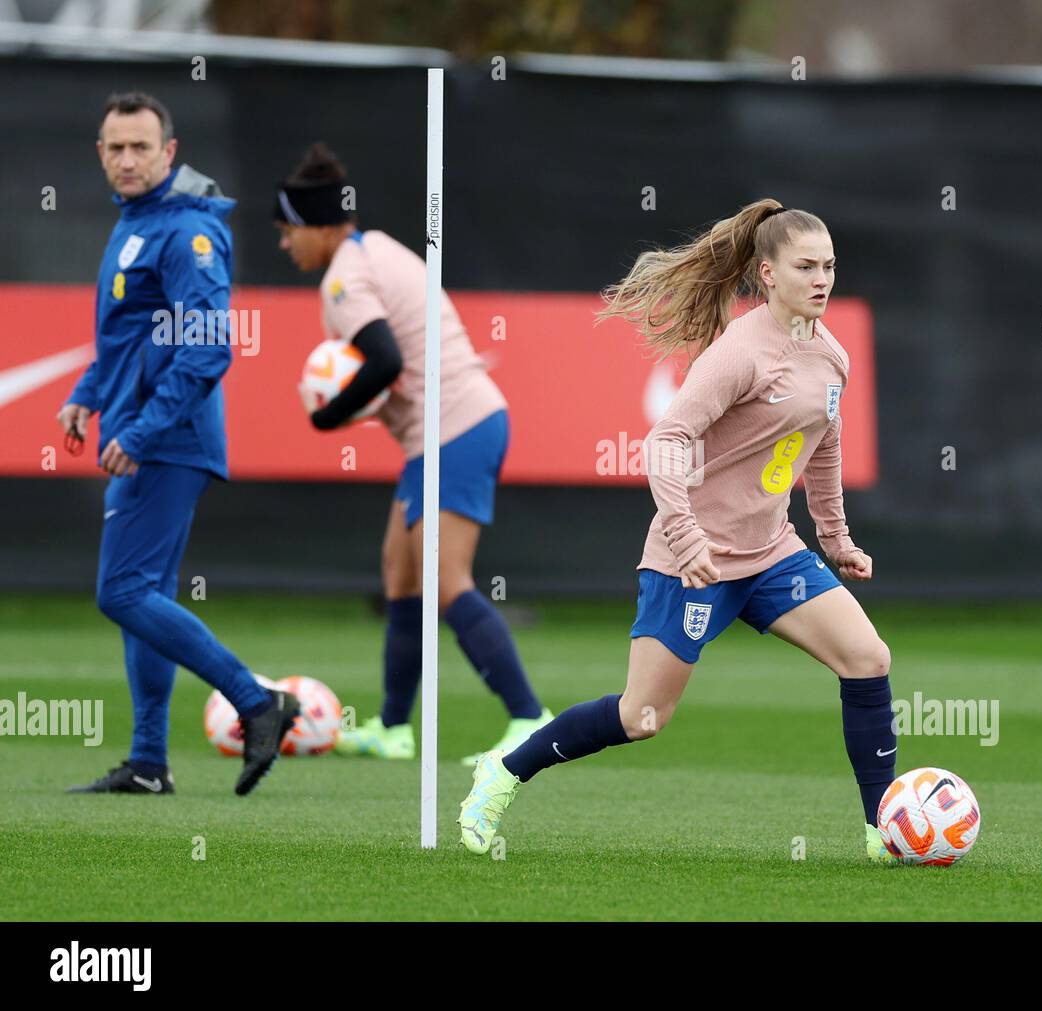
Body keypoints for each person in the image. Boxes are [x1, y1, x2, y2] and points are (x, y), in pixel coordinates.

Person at [458, 198, 899, 862]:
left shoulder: (830, 354)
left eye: (830, 265)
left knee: (868, 659)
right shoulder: (740, 352)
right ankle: (506, 770)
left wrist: (834, 538)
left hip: (772, 552)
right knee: (643, 718)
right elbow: (666, 440)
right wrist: (687, 535)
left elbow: (824, 444)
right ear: (767, 273)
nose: (821, 279)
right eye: (805, 266)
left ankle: (882, 831)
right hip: (692, 559)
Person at [273, 143, 552, 763]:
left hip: (457, 426)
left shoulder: (345, 277)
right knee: (402, 576)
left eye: (288, 231)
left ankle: (530, 718)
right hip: (446, 430)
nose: (284, 244)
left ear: (319, 225)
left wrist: (328, 415)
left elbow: (385, 362)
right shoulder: (372, 251)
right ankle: (394, 728)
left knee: (446, 583)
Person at [61, 92, 298, 797]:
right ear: (100, 153)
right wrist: (87, 394)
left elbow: (207, 349)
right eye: (115, 147)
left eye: (141, 146)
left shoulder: (189, 230)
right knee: (149, 594)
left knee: (122, 591)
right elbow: (125, 336)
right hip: (140, 432)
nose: (127, 159)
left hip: (166, 438)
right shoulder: (135, 221)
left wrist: (138, 430)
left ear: (170, 152)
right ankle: (148, 762)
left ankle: (256, 700)